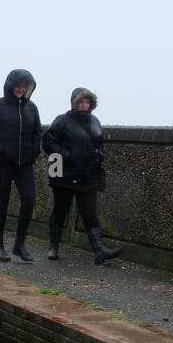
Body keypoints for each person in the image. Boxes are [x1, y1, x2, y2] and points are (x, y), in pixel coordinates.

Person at [41, 87, 121, 265]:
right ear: (74, 103)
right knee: (60, 211)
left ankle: (99, 250)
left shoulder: (95, 121)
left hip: (88, 175)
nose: (84, 105)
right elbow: (48, 142)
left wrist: (99, 155)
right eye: (81, 102)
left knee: (90, 213)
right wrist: (66, 155)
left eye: (87, 102)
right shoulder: (62, 121)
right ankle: (53, 246)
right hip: (64, 174)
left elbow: (99, 143)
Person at [0, 69, 42, 261]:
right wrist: (1, 149)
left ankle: (19, 245)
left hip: (24, 165)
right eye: (18, 86)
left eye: (25, 86)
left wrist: (35, 149)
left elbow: (37, 131)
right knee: (2, 205)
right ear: (10, 85)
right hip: (2, 165)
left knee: (29, 201)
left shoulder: (32, 108)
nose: (21, 89)